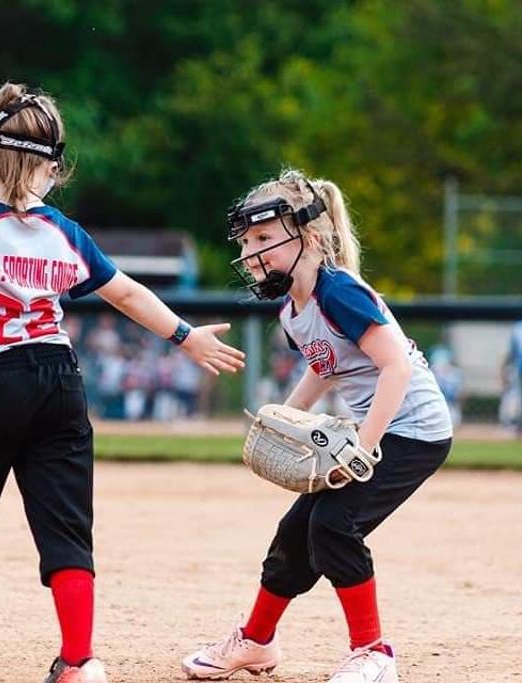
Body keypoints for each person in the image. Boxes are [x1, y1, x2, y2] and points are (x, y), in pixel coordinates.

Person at [0, 82, 245, 683]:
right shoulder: (65, 233)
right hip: (61, 382)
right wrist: (185, 336)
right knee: (66, 525)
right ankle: (79, 661)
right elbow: (126, 293)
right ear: (54, 167)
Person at [181, 169, 452, 683]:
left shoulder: (339, 292)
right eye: (246, 242)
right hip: (380, 429)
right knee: (295, 531)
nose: (251, 253)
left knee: (333, 525)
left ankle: (374, 653)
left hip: (415, 431)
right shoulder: (293, 310)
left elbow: (396, 366)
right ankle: (256, 642)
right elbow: (326, 367)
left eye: (263, 237)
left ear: (307, 235)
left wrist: (363, 449)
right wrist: (283, 419)